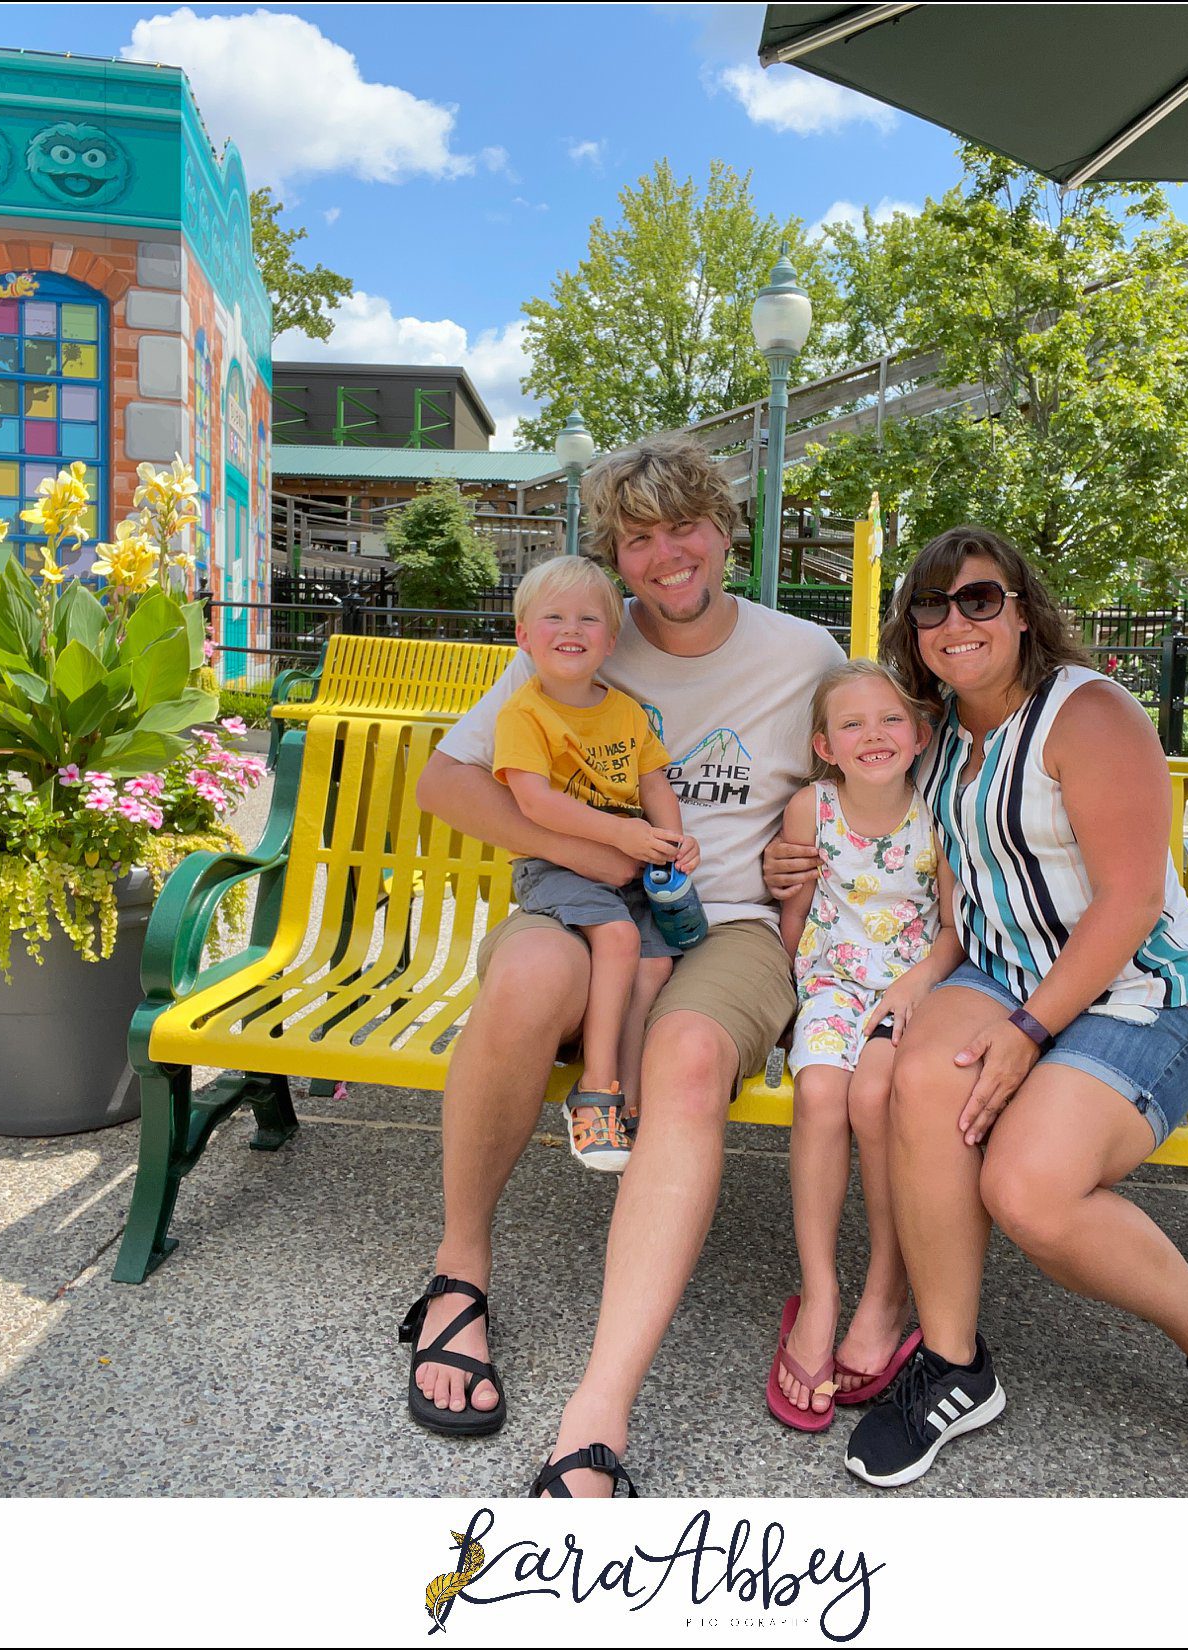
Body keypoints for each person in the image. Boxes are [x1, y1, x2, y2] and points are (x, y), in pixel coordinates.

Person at [770, 525, 1188, 1497]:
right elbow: (867, 821)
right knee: (916, 1082)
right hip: (999, 973)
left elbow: (1129, 902)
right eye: (930, 606)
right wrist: (788, 861)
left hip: (1136, 993)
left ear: (1021, 611)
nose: (955, 622)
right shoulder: (938, 731)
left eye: (979, 599)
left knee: (1027, 1191)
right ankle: (953, 1363)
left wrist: (1025, 1035)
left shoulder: (1086, 715)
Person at [401, 434, 844, 1493]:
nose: (665, 556)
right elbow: (447, 783)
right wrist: (593, 853)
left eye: (684, 527)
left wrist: (804, 845)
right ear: (613, 554)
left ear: (725, 530)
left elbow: (866, 778)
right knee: (525, 979)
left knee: (687, 1060)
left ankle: (597, 1411)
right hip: (582, 902)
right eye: (637, 539)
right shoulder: (580, 633)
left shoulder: (803, 655)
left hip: (728, 923)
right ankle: (458, 1272)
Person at [768, 659, 960, 1431]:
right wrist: (789, 1003)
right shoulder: (810, 809)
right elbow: (795, 913)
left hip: (908, 989)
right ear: (825, 745)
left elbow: (953, 930)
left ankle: (888, 1279)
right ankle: (820, 1292)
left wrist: (915, 985)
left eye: (889, 720)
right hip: (830, 984)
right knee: (820, 1091)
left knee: (874, 1096)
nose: (872, 736)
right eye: (851, 724)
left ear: (920, 734)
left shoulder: (938, 815)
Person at [493, 554, 698, 1171]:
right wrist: (622, 835)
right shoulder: (525, 713)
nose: (571, 629)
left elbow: (654, 781)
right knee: (617, 937)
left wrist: (673, 840)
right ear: (524, 636)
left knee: (655, 964)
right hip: (555, 866)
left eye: (588, 619)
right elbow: (535, 801)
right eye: (553, 617)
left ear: (610, 641)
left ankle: (630, 1093)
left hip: (629, 865)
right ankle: (594, 1091)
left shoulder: (625, 711)